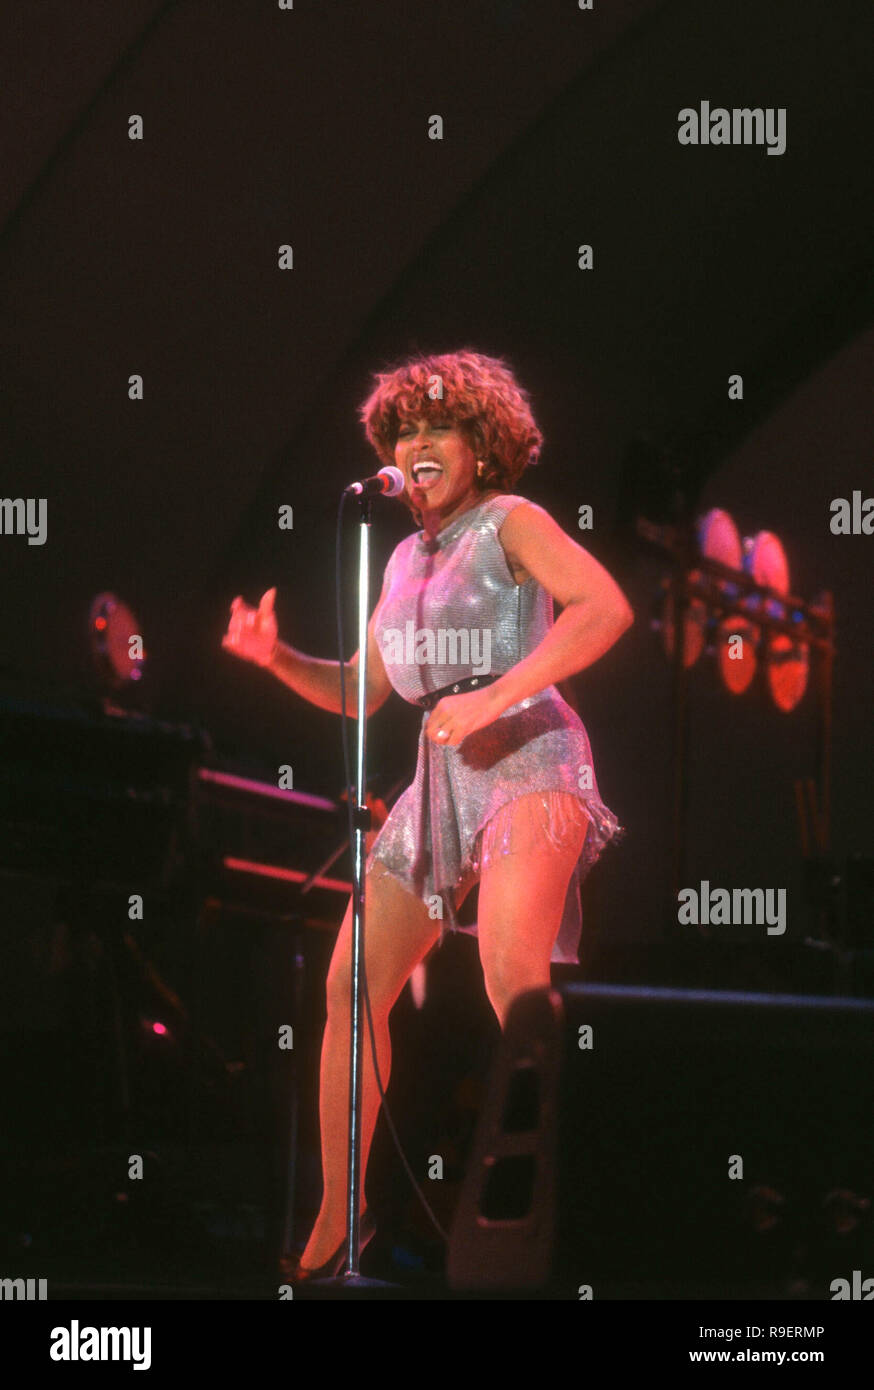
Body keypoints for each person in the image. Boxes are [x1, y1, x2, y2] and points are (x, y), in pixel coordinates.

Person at [222, 349, 633, 1278]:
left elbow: (603, 609)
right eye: (404, 430)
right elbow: (366, 690)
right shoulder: (401, 555)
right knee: (348, 984)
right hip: (439, 776)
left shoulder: (511, 523)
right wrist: (274, 656)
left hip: (531, 755)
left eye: (436, 427)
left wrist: (492, 700)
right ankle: (343, 1215)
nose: (416, 443)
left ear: (481, 446)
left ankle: (573, 1197)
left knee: (511, 977)